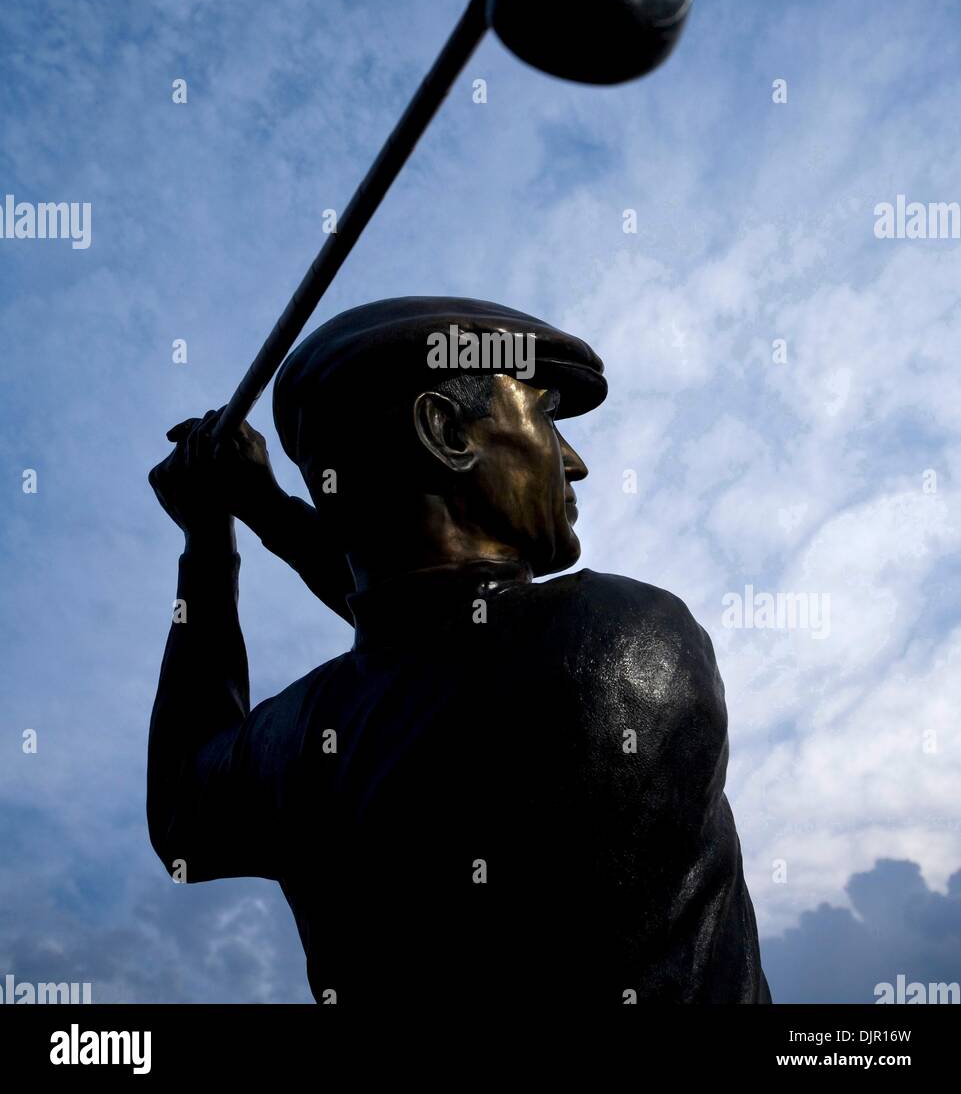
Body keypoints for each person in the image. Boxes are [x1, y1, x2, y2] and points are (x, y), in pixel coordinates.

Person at [147, 296, 771, 1007]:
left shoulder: (294, 742)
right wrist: (265, 513)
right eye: (542, 415)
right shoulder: (625, 633)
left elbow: (181, 821)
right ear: (445, 431)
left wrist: (212, 534)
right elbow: (443, 642)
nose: (574, 462)